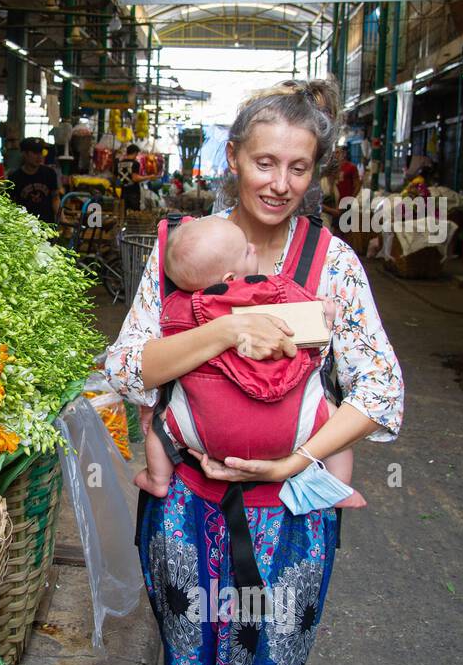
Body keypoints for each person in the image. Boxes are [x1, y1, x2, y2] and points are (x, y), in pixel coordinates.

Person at [104, 77, 404, 665]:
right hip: (187, 506)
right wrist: (222, 332)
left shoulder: (334, 265)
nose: (279, 183)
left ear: (314, 173)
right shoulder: (183, 252)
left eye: (298, 167)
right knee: (188, 661)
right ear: (233, 157)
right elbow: (127, 368)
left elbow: (381, 392)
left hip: (292, 513)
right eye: (265, 162)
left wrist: (296, 460)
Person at [134, 215, 364, 510]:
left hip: (201, 432)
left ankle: (158, 479)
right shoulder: (272, 292)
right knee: (336, 423)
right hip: (291, 430)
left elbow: (142, 361)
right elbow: (311, 331)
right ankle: (340, 487)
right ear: (230, 278)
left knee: (159, 424)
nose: (253, 248)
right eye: (246, 250)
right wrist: (327, 317)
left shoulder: (178, 307)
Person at [7, 137, 61, 224]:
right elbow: (11, 203)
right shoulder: (14, 177)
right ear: (25, 154)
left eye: (41, 152)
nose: (40, 156)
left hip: (47, 226)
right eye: (35, 153)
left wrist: (61, 219)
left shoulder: (50, 173)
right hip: (24, 227)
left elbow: (55, 199)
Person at [116, 143, 156, 211]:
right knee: (133, 216)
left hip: (123, 193)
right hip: (133, 193)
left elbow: (117, 180)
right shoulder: (135, 163)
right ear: (134, 152)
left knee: (123, 213)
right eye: (137, 154)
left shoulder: (119, 163)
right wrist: (149, 177)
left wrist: (118, 187)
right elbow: (135, 178)